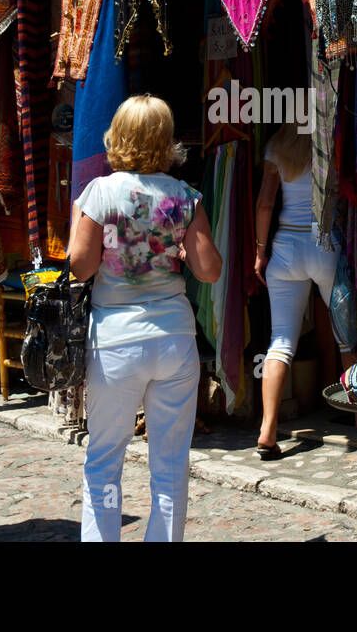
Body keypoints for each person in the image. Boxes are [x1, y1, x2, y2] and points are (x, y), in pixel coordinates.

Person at [69, 94, 221, 542]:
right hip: (174, 336)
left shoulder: (100, 191)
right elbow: (209, 271)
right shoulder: (184, 197)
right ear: (165, 140)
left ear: (119, 135)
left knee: (104, 461)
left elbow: (80, 265)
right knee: (171, 463)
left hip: (115, 339)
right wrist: (174, 241)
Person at [253, 123, 357, 458]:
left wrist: (260, 252)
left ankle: (268, 429)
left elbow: (265, 203)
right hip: (323, 242)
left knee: (281, 340)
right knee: (346, 335)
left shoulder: (277, 145)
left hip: (286, 245)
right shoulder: (330, 142)